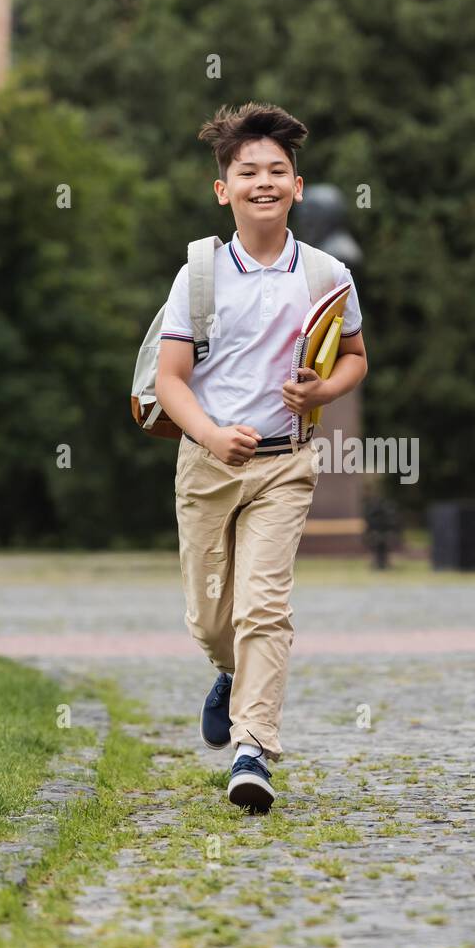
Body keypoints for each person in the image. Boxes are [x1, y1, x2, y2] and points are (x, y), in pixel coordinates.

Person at [156, 103, 367, 812]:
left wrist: (322, 386)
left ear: (298, 187)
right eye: (248, 172)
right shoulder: (199, 274)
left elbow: (356, 360)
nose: (263, 182)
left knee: (264, 609)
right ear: (224, 189)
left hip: (285, 462)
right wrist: (212, 434)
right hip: (208, 466)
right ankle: (226, 673)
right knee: (211, 619)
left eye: (277, 171)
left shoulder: (328, 275)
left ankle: (253, 749)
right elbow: (169, 380)